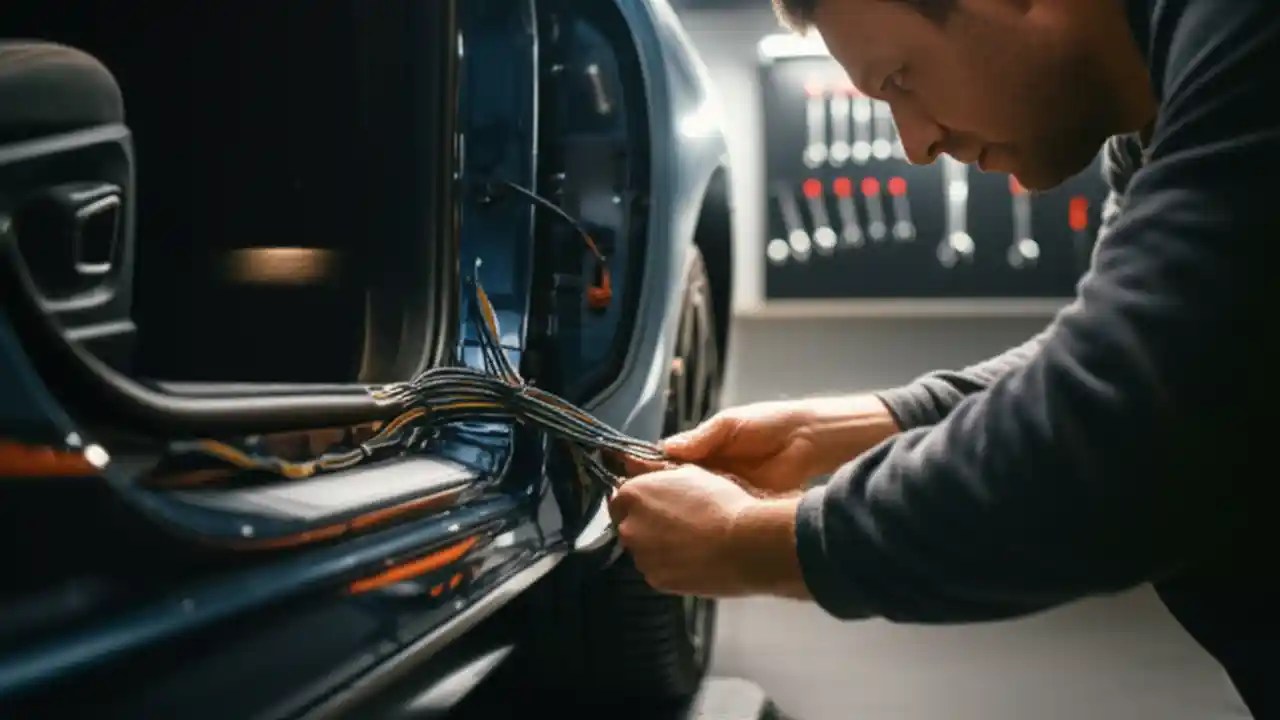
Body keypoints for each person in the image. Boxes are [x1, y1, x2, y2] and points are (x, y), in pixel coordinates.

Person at [608, 0, 1274, 714]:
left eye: (901, 79)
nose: (916, 143)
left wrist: (757, 541)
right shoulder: (1158, 119)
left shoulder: (1248, 36)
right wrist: (848, 428)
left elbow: (1125, 432)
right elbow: (1136, 353)